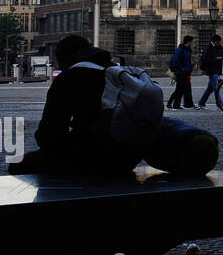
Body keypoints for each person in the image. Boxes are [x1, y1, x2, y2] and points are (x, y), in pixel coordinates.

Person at [8, 35, 145, 175]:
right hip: (129, 157)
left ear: (66, 57)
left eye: (60, 62)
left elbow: (49, 133)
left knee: (17, 164)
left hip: (91, 157)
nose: (61, 67)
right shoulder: (120, 72)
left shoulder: (70, 77)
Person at [197, 34, 223, 109]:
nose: (219, 43)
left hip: (217, 69)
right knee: (216, 88)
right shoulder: (208, 48)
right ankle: (221, 105)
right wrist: (217, 59)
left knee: (210, 89)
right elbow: (205, 59)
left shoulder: (218, 46)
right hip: (211, 70)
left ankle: (201, 103)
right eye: (218, 42)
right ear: (215, 41)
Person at [168, 35, 195, 110]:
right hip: (181, 73)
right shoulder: (180, 49)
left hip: (186, 72)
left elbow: (186, 61)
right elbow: (174, 61)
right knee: (186, 88)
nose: (192, 43)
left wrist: (190, 66)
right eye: (191, 42)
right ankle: (188, 105)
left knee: (180, 90)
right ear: (188, 42)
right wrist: (182, 68)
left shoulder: (188, 50)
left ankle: (175, 105)